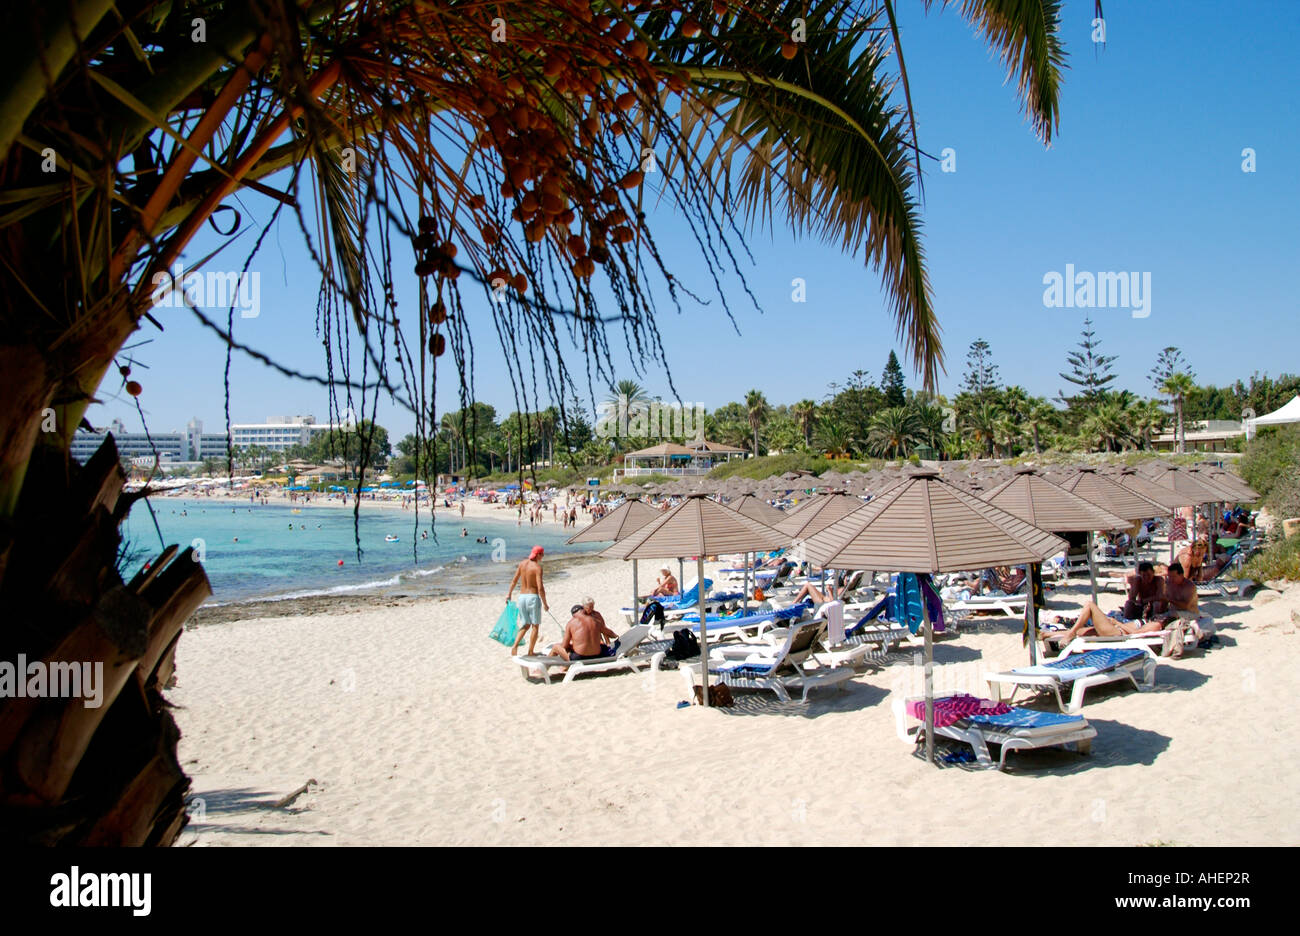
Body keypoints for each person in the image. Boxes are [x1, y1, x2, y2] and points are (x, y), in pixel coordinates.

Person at [506, 546, 549, 656]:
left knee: (525, 625)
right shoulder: (537, 568)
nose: (543, 556)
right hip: (532, 598)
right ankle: (530, 651)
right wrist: (545, 603)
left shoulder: (522, 564)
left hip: (522, 597)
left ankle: (515, 646)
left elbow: (514, 580)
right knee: (535, 625)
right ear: (538, 555)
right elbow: (540, 588)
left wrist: (509, 594)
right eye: (542, 554)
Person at [550, 597, 619, 661]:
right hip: (597, 655)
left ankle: (540, 670)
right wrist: (616, 636)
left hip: (580, 658)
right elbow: (610, 633)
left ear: (574, 615)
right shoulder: (595, 621)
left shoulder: (571, 623)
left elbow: (564, 645)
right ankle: (564, 667)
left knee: (556, 647)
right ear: (583, 610)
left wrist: (572, 647)